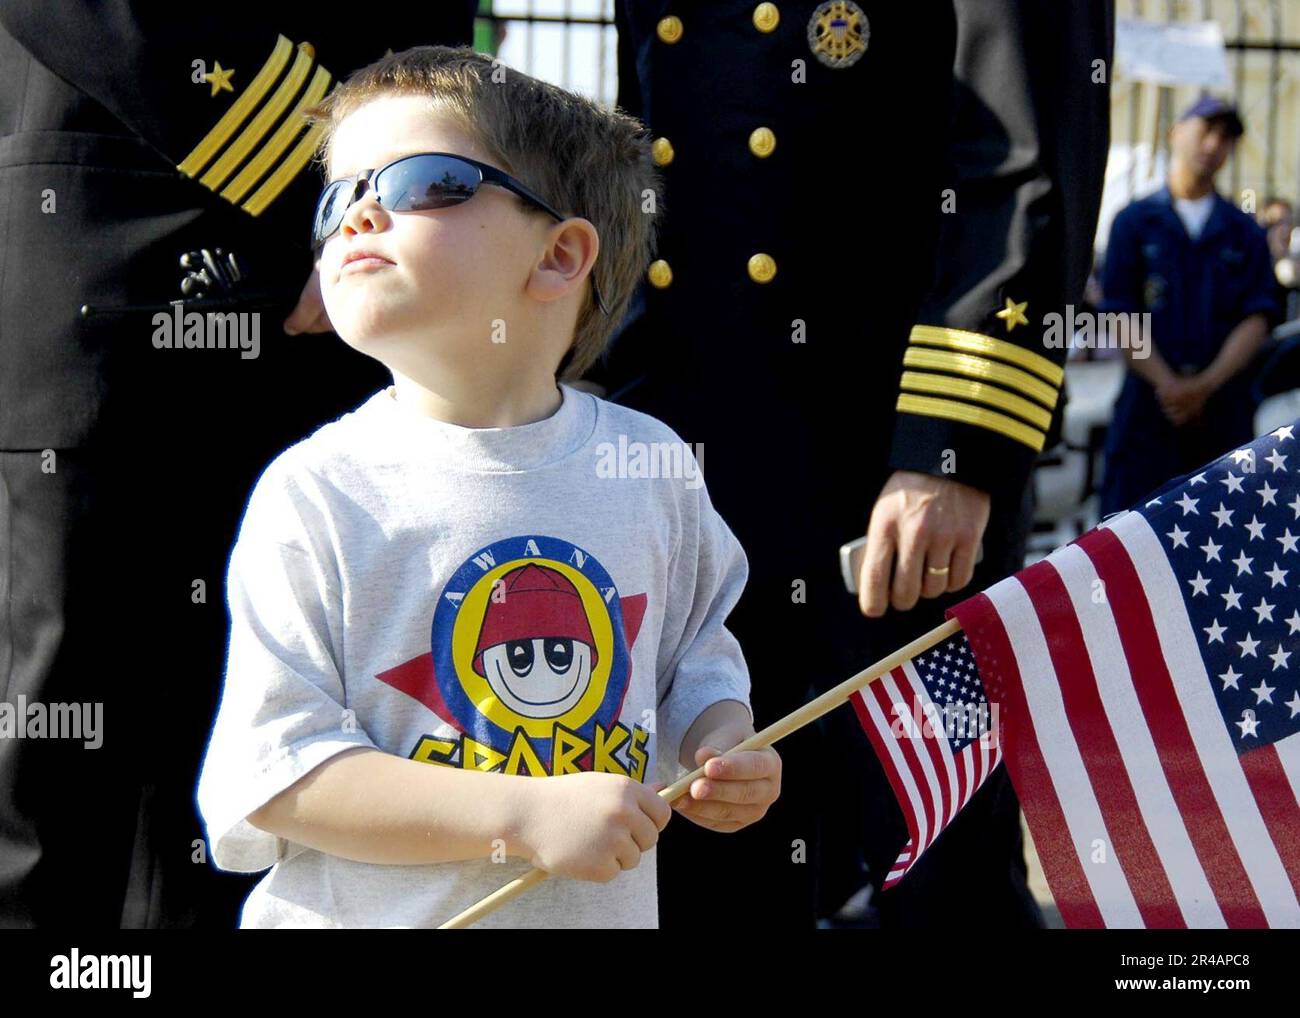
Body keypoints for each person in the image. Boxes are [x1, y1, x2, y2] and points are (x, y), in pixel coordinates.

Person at [195, 45, 782, 929]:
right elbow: (275, 773)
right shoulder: (316, 491)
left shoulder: (653, 465)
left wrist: (721, 740)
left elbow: (695, 655)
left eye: (423, 183)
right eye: (339, 196)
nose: (357, 216)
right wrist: (520, 818)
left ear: (558, 257)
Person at [602, 0, 1113, 928]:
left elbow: (1023, 164)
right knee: (713, 830)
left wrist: (954, 450)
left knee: (936, 849)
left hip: (889, 460)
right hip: (682, 448)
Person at [0, 1, 477, 928]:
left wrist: (388, 203)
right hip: (124, 277)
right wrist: (337, 190)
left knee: (272, 765)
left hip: (342, 306)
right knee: (63, 769)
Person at [1099, 94, 1278, 517]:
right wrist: (1168, 384)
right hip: (1147, 413)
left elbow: (1256, 318)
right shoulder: (1135, 222)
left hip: (1222, 417)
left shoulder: (1243, 231)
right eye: (1206, 129)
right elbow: (1120, 312)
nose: (1214, 144)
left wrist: (1205, 386)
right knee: (1128, 537)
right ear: (1175, 133)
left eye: (1226, 136)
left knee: (1222, 541)